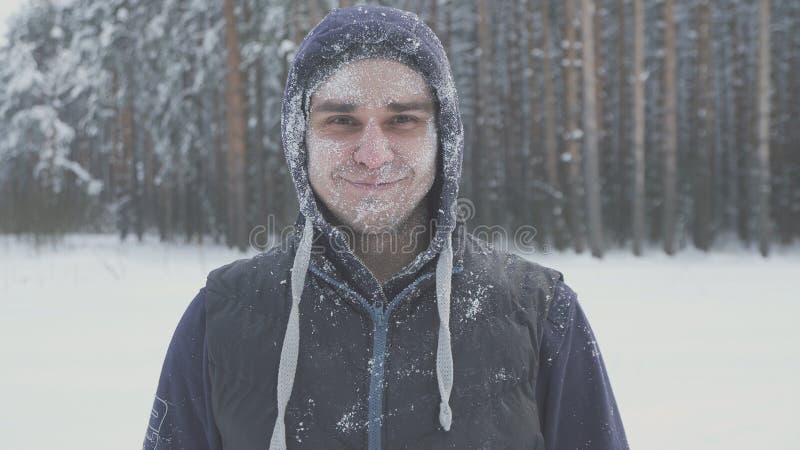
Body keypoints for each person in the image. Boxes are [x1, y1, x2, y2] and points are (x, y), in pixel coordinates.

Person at [143, 5, 628, 450]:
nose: (373, 154)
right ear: (300, 139)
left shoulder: (541, 313)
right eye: (341, 120)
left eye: (402, 120)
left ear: (443, 137)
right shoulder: (221, 317)